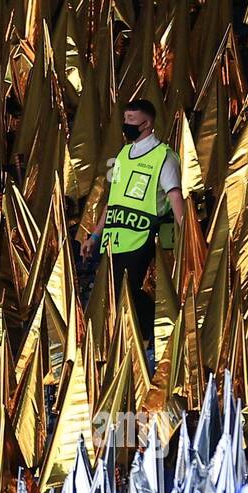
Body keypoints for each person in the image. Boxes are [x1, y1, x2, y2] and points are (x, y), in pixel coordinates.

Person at [81, 99, 185, 344]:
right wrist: (94, 236)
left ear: (147, 123)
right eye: (125, 119)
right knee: (114, 295)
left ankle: (152, 341)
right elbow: (112, 200)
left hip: (142, 238)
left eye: (131, 120)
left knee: (131, 293)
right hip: (113, 242)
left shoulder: (164, 157)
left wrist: (190, 236)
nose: (125, 125)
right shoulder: (123, 154)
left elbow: (175, 197)